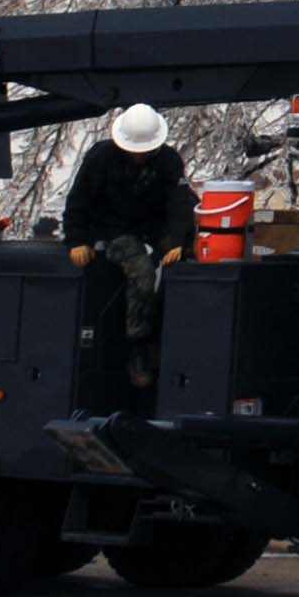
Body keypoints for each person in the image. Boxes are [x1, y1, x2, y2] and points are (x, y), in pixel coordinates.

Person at [62, 104, 197, 390]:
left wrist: (177, 240)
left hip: (152, 225)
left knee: (188, 262)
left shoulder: (168, 161)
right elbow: (78, 201)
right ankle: (138, 346)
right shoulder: (101, 158)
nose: (140, 155)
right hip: (113, 230)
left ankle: (176, 334)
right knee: (143, 273)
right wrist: (77, 241)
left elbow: (179, 202)